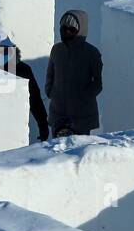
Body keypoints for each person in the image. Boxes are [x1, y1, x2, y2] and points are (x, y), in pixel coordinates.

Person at [0, 28, 49, 143]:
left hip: (14, 130)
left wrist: (43, 125)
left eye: (5, 50)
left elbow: (34, 99)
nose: (1, 53)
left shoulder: (23, 70)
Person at [44, 9, 103, 137]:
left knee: (77, 153)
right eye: (64, 27)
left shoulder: (91, 53)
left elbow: (97, 83)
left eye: (71, 28)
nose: (66, 31)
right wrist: (50, 91)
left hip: (82, 116)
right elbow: (50, 74)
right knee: (56, 150)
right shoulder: (56, 50)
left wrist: (83, 98)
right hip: (58, 112)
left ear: (80, 30)